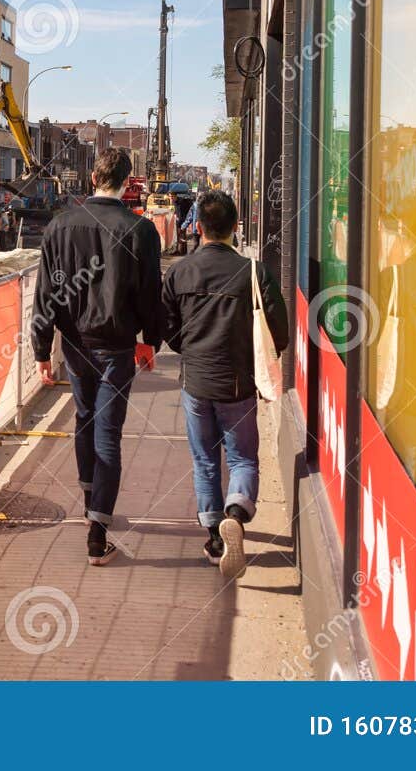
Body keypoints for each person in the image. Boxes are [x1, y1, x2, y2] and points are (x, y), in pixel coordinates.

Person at [31, 148, 165, 566]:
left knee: (83, 419)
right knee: (109, 432)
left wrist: (41, 350)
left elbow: (45, 295)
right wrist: (151, 340)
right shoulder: (140, 231)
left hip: (74, 344)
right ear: (126, 183)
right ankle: (97, 531)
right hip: (117, 345)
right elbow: (150, 294)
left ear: (92, 179)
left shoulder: (59, 226)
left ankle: (91, 498)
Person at [160, 190, 288, 581]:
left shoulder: (180, 272)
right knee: (243, 458)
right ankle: (236, 513)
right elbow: (278, 332)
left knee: (204, 460)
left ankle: (215, 539)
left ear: (198, 227)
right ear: (236, 227)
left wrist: (190, 350)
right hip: (238, 384)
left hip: (196, 382)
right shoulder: (255, 273)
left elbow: (168, 329)